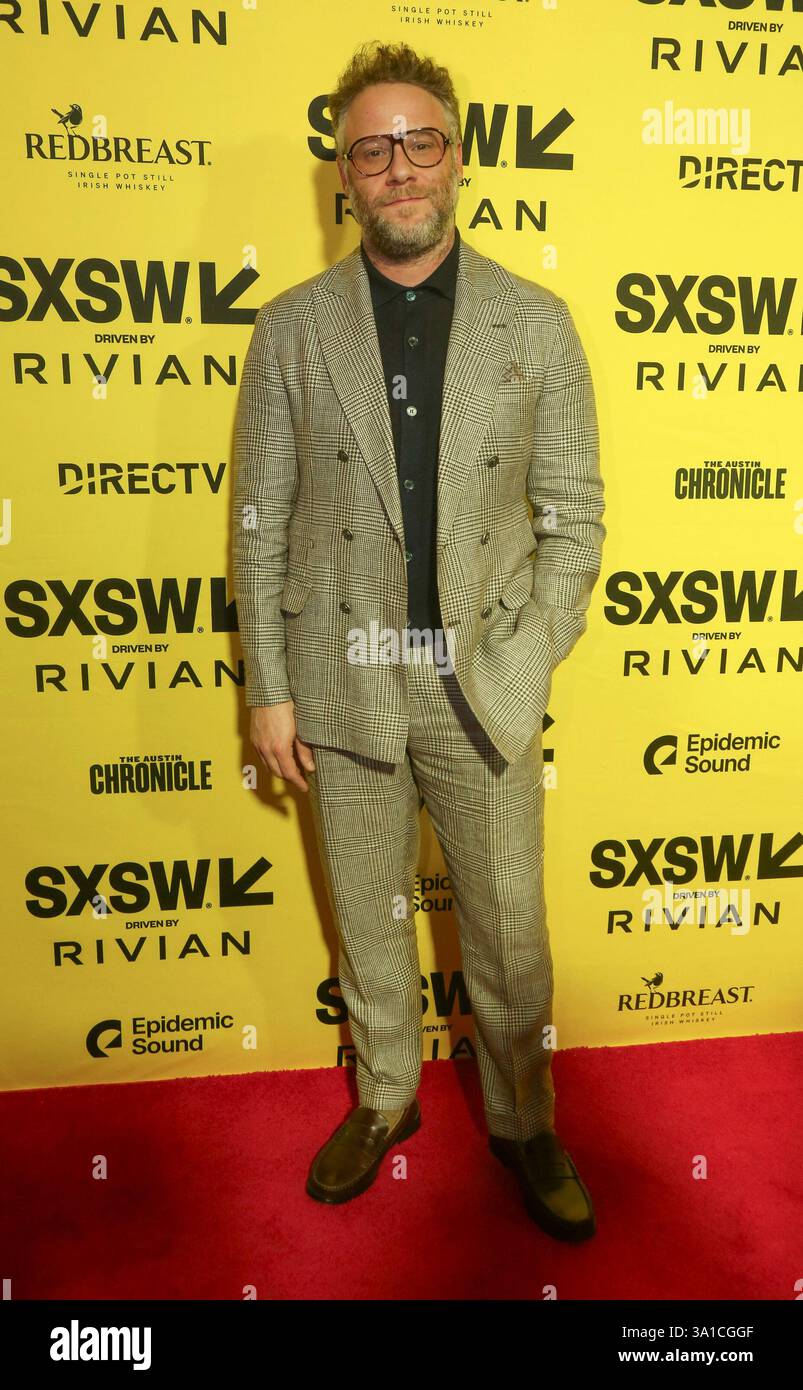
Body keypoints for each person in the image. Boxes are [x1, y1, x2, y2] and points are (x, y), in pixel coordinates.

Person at [232, 39, 605, 1242]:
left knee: (507, 928)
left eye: (418, 141)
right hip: (342, 674)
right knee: (369, 913)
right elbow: (260, 520)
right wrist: (269, 688)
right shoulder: (291, 328)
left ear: (457, 156)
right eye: (370, 148)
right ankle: (385, 1094)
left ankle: (521, 1114)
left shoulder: (534, 323)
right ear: (343, 175)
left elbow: (574, 514)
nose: (396, 167)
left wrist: (527, 644)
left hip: (477, 681)